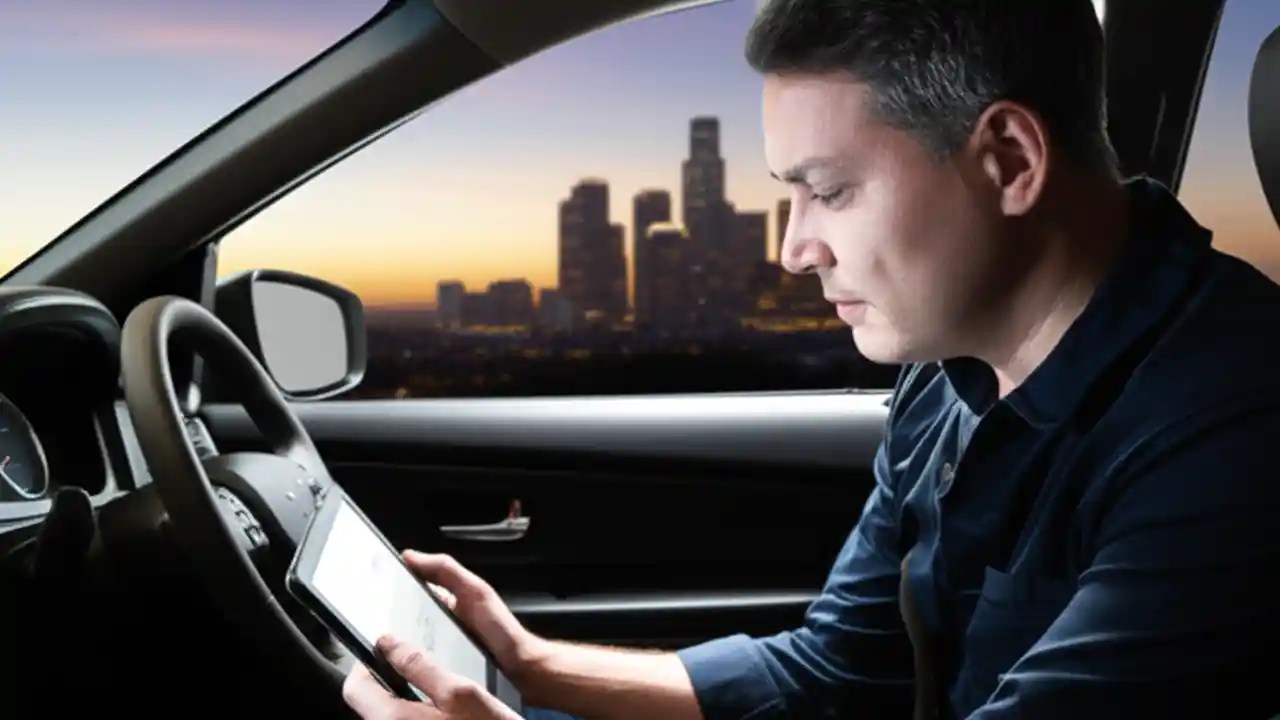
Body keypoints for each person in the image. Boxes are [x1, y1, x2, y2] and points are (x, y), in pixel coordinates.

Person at [344, 0, 1280, 717]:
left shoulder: (1235, 433)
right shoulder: (948, 369)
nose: (796, 249)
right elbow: (834, 668)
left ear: (1008, 159)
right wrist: (530, 662)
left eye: (827, 191)